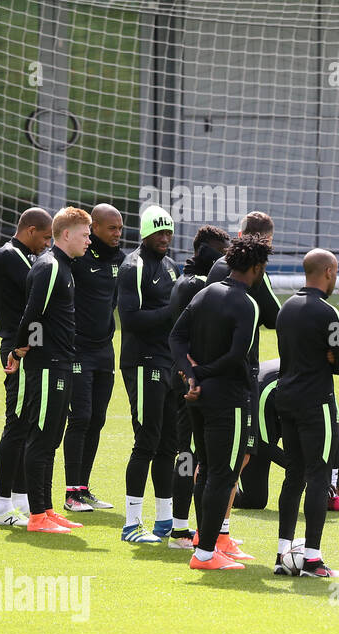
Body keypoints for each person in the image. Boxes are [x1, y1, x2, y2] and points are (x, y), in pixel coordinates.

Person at [169, 234, 268, 571]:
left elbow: (176, 336)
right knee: (223, 476)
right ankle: (206, 554)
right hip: (230, 400)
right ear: (255, 267)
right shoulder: (248, 304)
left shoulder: (204, 293)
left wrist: (191, 375)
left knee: (206, 470)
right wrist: (204, 373)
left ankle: (204, 543)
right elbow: (237, 355)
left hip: (198, 398)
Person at [3, 207, 90, 533]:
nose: (88, 239)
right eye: (84, 234)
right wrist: (21, 347)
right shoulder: (50, 267)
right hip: (46, 367)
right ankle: (36, 515)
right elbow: (32, 313)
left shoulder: (64, 267)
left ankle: (46, 508)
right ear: (65, 234)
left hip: (61, 365)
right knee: (39, 440)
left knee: (51, 438)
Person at [272, 249, 339, 578]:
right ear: (329, 272)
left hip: (285, 400)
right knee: (318, 477)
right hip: (315, 404)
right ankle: (313, 561)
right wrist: (328, 358)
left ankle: (282, 554)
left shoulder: (286, 309)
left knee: (292, 476)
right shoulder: (327, 314)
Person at [116, 204, 181, 543]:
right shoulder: (133, 267)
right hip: (143, 363)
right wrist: (171, 312)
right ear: (145, 233)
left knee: (168, 444)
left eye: (168, 232)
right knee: (146, 441)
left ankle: (165, 521)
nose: (165, 238)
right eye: (159, 232)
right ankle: (131, 524)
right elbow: (130, 319)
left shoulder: (170, 265)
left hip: (168, 362)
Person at [164, 225, 231, 549]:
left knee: (190, 454)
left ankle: (189, 529)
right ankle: (183, 530)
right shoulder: (198, 287)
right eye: (221, 249)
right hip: (189, 381)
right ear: (207, 249)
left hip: (182, 376)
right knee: (190, 454)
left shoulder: (187, 281)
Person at [62, 203, 124, 513]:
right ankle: (70, 492)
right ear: (95, 228)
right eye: (111, 228)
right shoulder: (77, 258)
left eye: (120, 228)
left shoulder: (121, 260)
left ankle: (83, 488)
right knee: (81, 416)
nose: (117, 234)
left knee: (97, 419)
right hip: (78, 349)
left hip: (105, 349)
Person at [0, 207, 51, 527]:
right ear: (29, 230)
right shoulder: (8, 256)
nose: (46, 244)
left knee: (28, 426)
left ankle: (20, 500)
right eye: (44, 237)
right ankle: (1, 508)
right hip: (19, 349)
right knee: (16, 425)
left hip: (33, 348)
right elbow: (36, 297)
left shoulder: (28, 255)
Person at [235, 359, 339, 513]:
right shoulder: (267, 393)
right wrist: (308, 473)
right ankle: (224, 483)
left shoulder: (323, 389)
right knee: (254, 500)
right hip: (260, 419)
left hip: (288, 411)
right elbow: (264, 444)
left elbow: (336, 428)